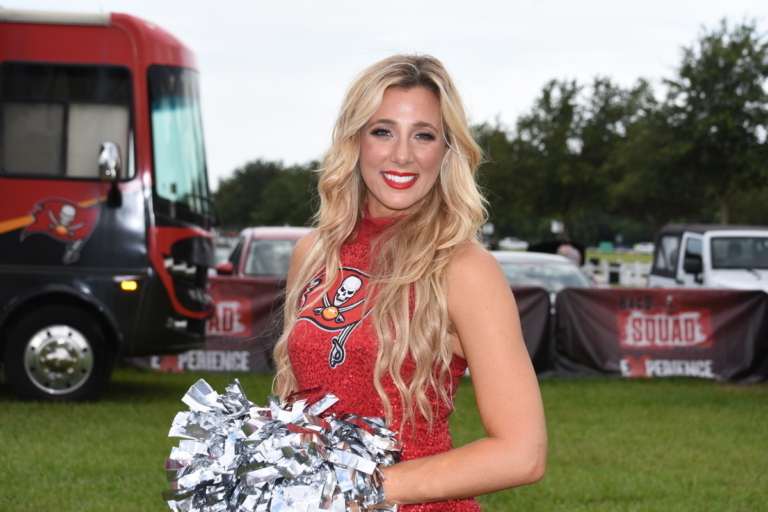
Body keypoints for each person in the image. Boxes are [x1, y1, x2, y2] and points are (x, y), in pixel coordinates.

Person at [272, 55, 547, 510]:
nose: (402, 154)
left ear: (447, 150)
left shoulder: (464, 268)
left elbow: (522, 453)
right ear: (355, 140)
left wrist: (360, 489)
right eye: (383, 131)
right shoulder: (314, 252)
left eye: (424, 135)